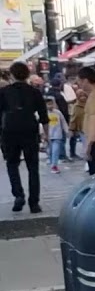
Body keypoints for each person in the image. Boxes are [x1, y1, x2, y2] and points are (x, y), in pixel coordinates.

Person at [0, 62, 48, 213]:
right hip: (29, 130)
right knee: (33, 167)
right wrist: (46, 135)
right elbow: (43, 116)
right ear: (27, 74)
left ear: (12, 75)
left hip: (10, 131)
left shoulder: (3, 92)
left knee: (12, 164)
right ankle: (34, 202)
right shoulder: (35, 92)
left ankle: (18, 195)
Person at [45, 96, 69, 173]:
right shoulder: (43, 113)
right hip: (48, 135)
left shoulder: (58, 113)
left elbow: (63, 122)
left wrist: (67, 131)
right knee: (50, 150)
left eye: (51, 104)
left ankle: (54, 165)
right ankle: (50, 159)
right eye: (48, 104)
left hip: (57, 134)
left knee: (56, 150)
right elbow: (41, 124)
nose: (50, 106)